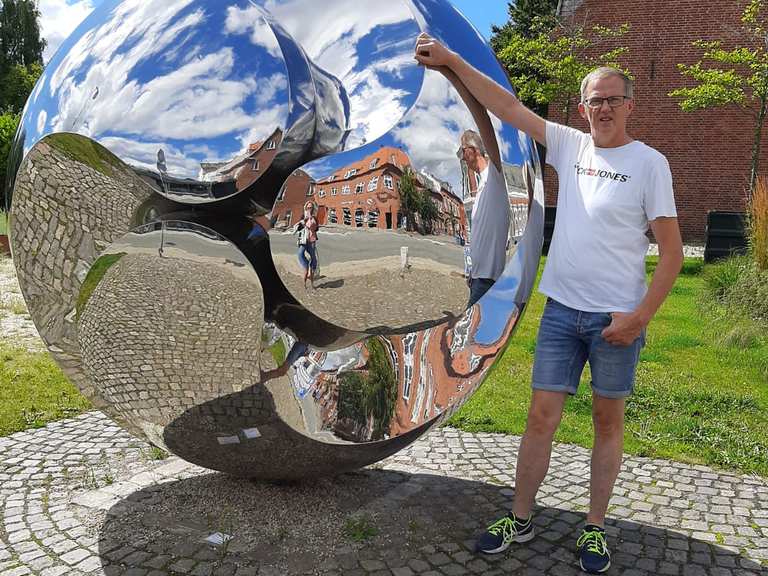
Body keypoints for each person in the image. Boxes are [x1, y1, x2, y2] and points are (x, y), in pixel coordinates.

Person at [415, 34, 683, 574]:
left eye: (612, 99)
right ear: (583, 108)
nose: (602, 108)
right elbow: (507, 106)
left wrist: (639, 319)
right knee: (540, 417)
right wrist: (451, 62)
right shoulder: (570, 145)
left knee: (607, 423)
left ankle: (594, 527)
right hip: (562, 311)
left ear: (629, 105)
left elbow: (673, 254)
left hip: (616, 319)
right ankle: (520, 515)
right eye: (594, 101)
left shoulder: (650, 164)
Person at [297, 201, 319, 289]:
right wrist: (305, 220)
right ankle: (305, 268)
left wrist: (313, 225)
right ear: (305, 208)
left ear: (313, 209)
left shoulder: (314, 218)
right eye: (308, 207)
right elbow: (299, 228)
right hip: (304, 240)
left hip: (312, 240)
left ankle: (312, 282)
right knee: (300, 253)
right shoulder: (303, 216)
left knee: (313, 258)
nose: (309, 209)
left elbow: (317, 228)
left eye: (311, 208)